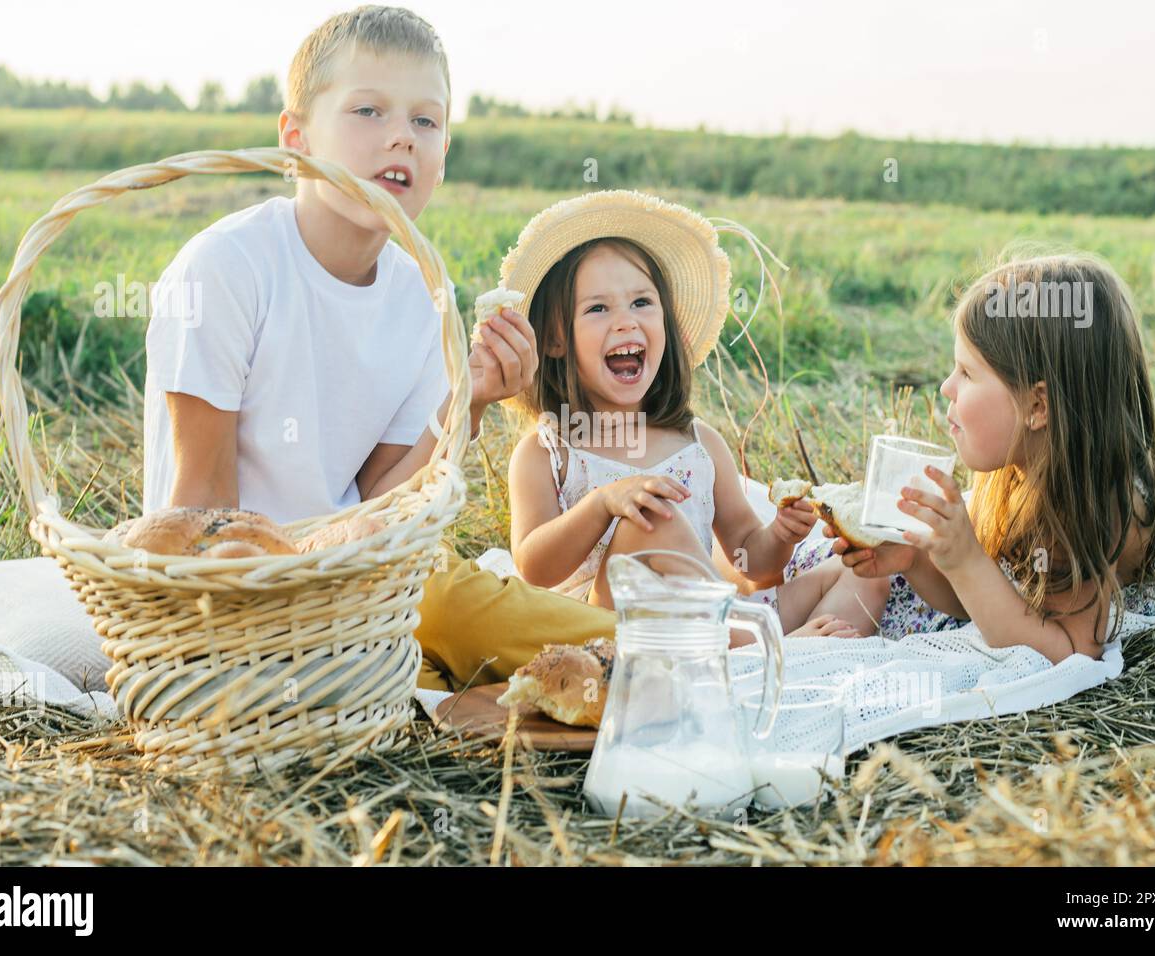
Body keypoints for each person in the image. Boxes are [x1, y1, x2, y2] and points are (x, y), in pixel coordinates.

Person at [141, 5, 616, 692]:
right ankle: (662, 647)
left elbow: (385, 500)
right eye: (368, 112)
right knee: (443, 604)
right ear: (295, 138)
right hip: (243, 592)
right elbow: (200, 506)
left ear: (444, 153)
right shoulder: (226, 268)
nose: (402, 137)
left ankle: (660, 646)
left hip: (358, 575)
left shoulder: (422, 293)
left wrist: (468, 402)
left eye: (426, 121)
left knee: (444, 596)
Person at [501, 190, 889, 638]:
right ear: (554, 340)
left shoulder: (698, 443)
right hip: (610, 634)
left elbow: (750, 563)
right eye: (598, 308)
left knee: (866, 576)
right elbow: (535, 567)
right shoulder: (548, 452)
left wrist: (781, 536)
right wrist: (603, 504)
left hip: (709, 621)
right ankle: (770, 650)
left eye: (642, 302)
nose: (626, 321)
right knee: (652, 519)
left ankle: (777, 659)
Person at [823, 252, 1155, 662]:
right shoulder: (1020, 470)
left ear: (1038, 407)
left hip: (1067, 633)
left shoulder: (1090, 506)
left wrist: (964, 560)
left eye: (967, 373)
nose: (947, 387)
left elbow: (1069, 653)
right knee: (829, 573)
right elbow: (980, 602)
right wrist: (916, 560)